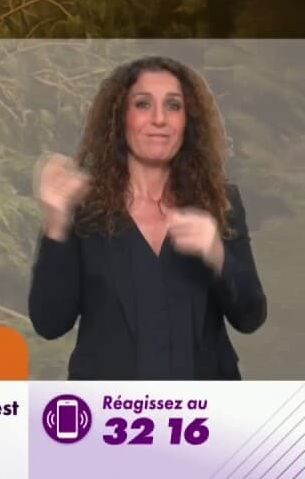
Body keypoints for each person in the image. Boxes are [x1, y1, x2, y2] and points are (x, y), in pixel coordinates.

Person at [28, 55, 267, 379]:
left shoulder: (220, 202)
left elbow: (251, 316)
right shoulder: (84, 210)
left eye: (173, 106)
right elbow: (50, 323)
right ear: (120, 118)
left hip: (205, 418)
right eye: (142, 104)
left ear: (188, 121)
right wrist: (56, 222)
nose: (159, 119)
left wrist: (217, 255)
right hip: (111, 417)